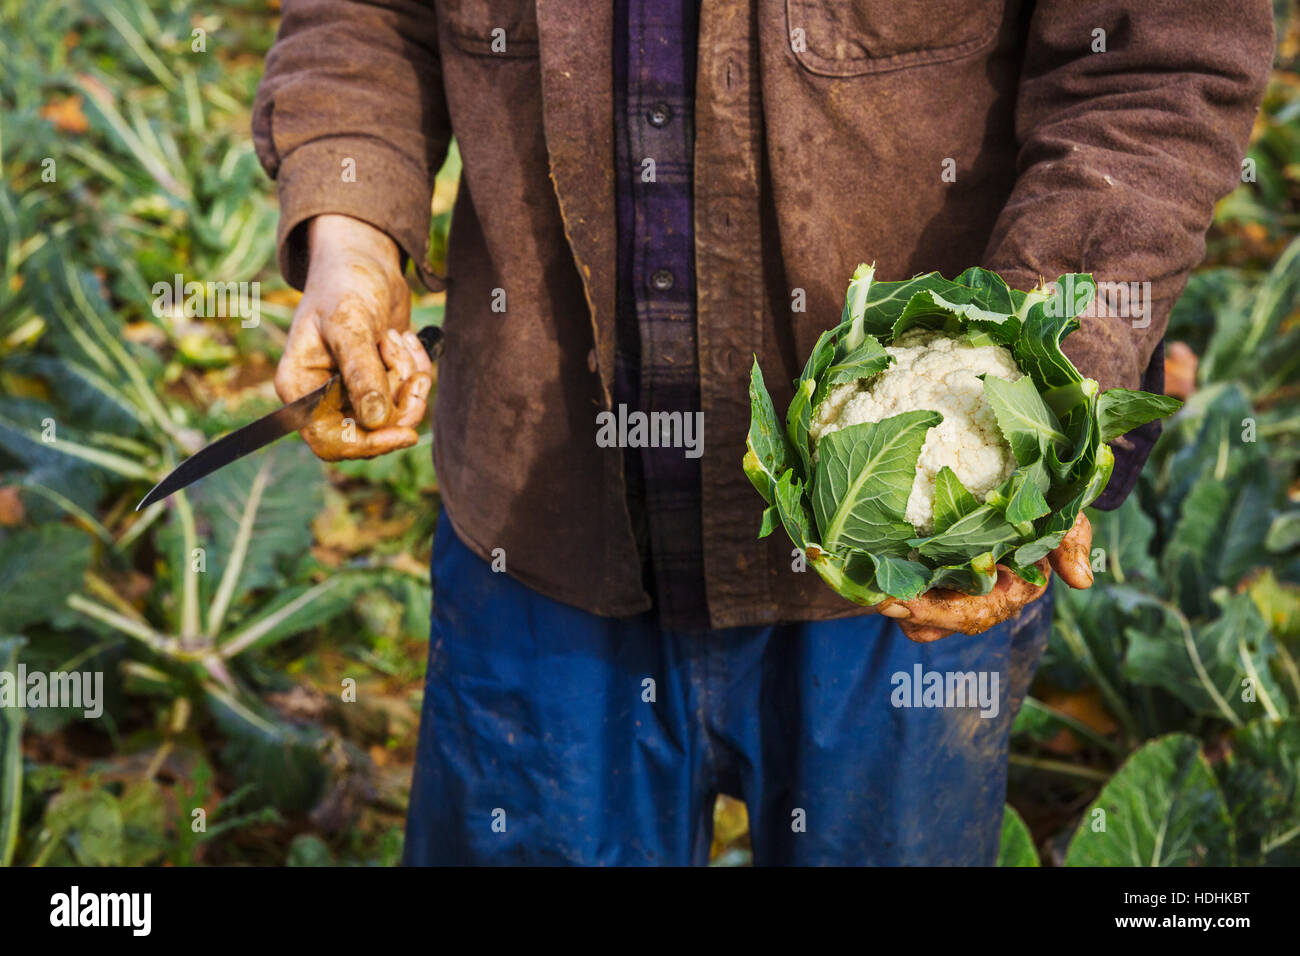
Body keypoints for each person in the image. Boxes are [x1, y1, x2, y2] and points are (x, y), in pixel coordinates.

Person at [253, 0, 1273, 864]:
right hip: (541, 520)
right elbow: (364, 16)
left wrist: (1049, 376)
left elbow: (1155, 61)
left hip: (895, 587)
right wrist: (353, 240)